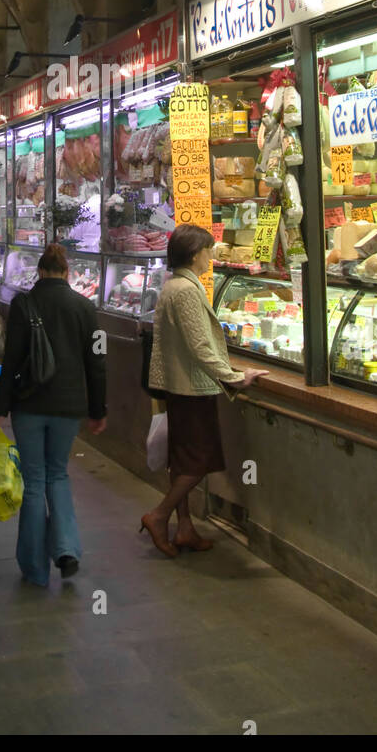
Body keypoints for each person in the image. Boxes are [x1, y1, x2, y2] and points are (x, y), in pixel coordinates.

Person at [141, 224, 268, 558]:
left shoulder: (175, 284)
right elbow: (200, 346)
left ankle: (184, 528)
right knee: (197, 462)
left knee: (182, 462)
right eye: (209, 250)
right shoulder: (185, 290)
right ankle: (159, 515)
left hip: (178, 385)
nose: (211, 256)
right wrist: (235, 376)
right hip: (191, 388)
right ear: (195, 254)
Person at [0, 242, 106, 587]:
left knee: (34, 482)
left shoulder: (23, 305)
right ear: (67, 273)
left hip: (29, 406)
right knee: (58, 475)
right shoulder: (85, 307)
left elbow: (9, 363)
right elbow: (97, 362)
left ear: (39, 272)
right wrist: (98, 409)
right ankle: (67, 549)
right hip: (69, 407)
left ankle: (35, 568)